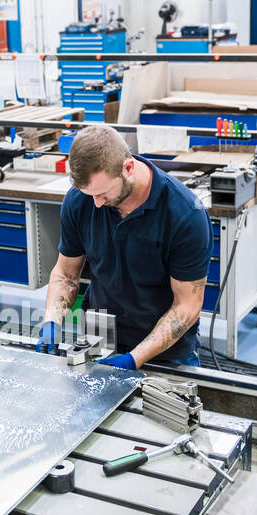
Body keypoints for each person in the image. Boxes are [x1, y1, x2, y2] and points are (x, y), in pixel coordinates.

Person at [36, 125, 211, 369]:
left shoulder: (184, 214)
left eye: (103, 194)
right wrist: (52, 321)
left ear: (128, 168)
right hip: (98, 338)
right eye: (90, 194)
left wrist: (134, 358)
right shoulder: (80, 200)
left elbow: (187, 305)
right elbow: (66, 274)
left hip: (166, 352)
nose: (96, 204)